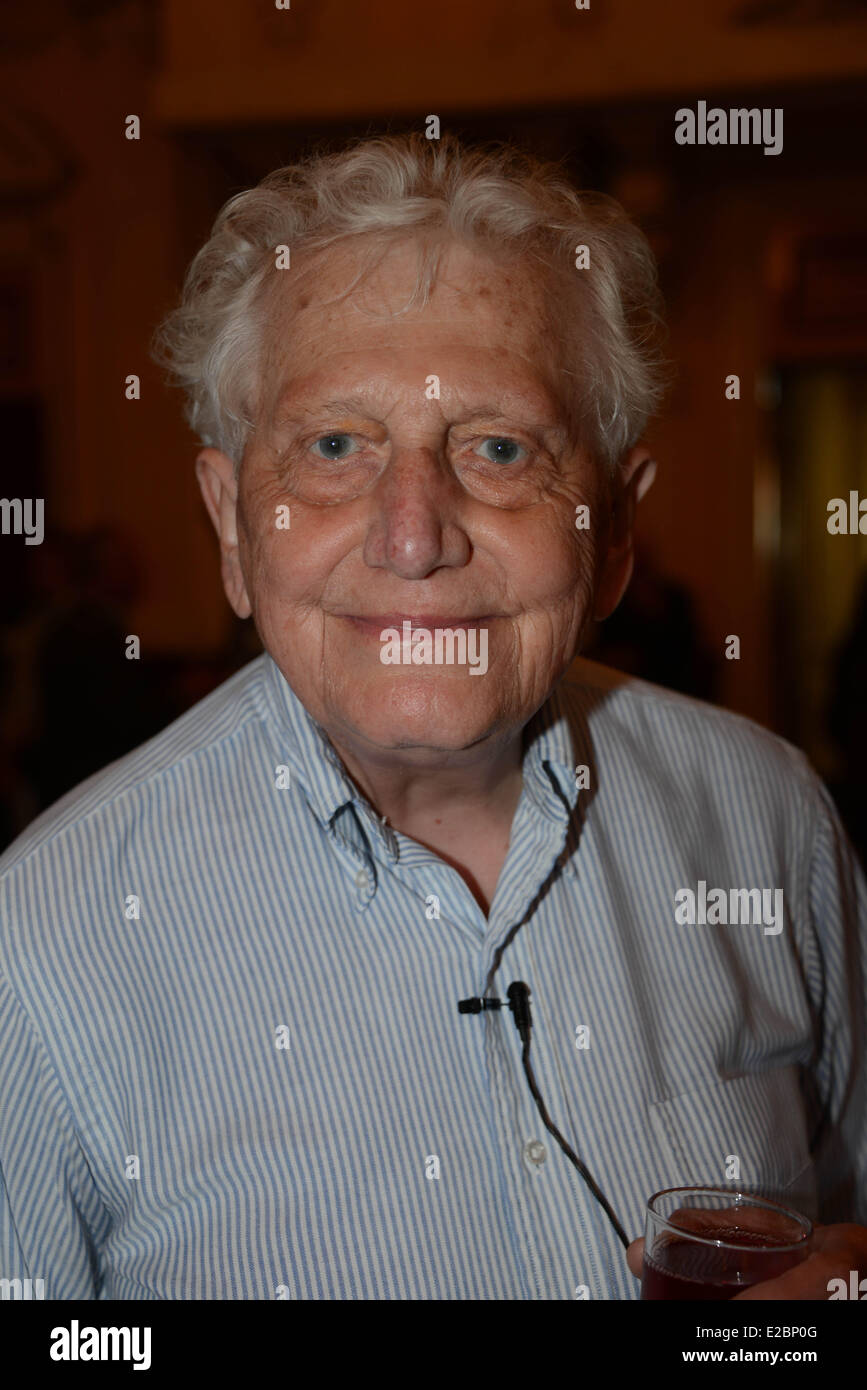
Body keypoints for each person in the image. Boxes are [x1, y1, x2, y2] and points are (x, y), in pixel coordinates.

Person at [0, 133, 864, 1300]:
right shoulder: (45, 943)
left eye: (500, 448)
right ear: (230, 526)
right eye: (336, 445)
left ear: (611, 536)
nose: (414, 536)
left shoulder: (768, 815)